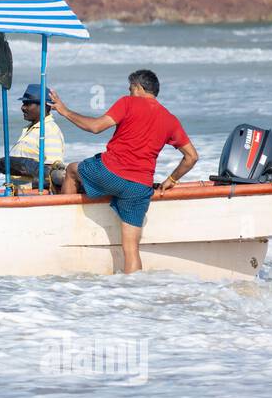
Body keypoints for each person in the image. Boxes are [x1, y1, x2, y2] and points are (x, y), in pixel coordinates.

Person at [48, 69, 199, 274]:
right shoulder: (170, 119)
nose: (129, 93)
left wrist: (64, 111)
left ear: (138, 88)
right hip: (139, 187)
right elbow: (191, 157)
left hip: (109, 173)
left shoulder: (128, 103)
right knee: (131, 248)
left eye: (130, 89)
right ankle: (133, 294)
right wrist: (172, 179)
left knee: (73, 169)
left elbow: (96, 127)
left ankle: (62, 226)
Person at [0, 82, 67, 188]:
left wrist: (9, 165)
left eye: (28, 104)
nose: (23, 107)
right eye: (23, 103)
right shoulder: (31, 129)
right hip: (17, 192)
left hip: (32, 196)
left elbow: (51, 172)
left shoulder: (50, 131)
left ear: (45, 105)